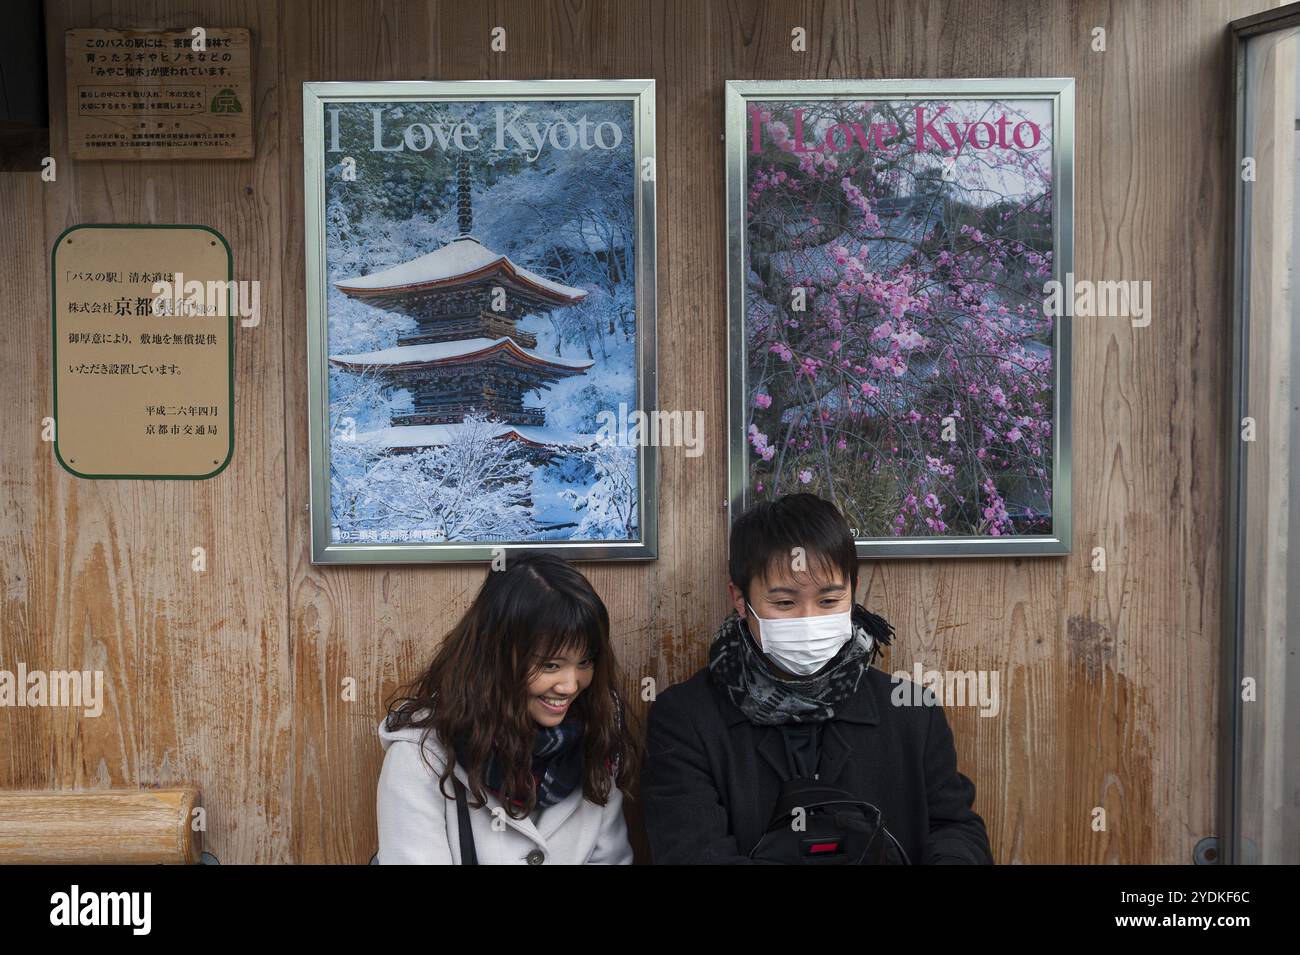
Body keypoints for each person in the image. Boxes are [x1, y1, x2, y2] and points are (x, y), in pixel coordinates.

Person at [641, 493, 993, 864]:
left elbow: (954, 828)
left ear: (853, 593)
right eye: (784, 603)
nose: (808, 619)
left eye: (828, 602)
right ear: (741, 600)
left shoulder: (911, 712)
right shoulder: (686, 718)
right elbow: (692, 852)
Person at [376, 552, 638, 864]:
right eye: (551, 665)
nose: (570, 685)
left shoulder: (596, 736)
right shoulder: (421, 755)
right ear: (497, 658)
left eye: (585, 662)